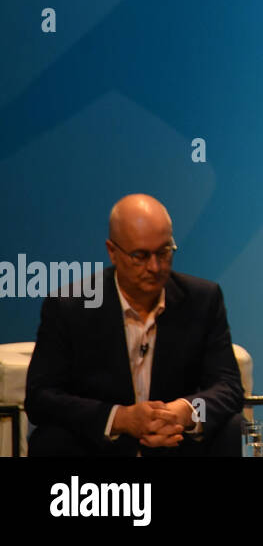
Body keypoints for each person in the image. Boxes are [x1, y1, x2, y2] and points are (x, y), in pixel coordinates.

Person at [25, 194, 245, 456]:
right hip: (101, 448)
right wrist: (120, 419)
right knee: (51, 440)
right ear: (113, 252)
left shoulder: (202, 299)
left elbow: (228, 386)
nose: (154, 267)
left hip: (176, 445)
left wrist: (186, 411)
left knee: (234, 428)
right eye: (140, 256)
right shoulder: (70, 307)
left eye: (164, 252)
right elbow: (41, 398)